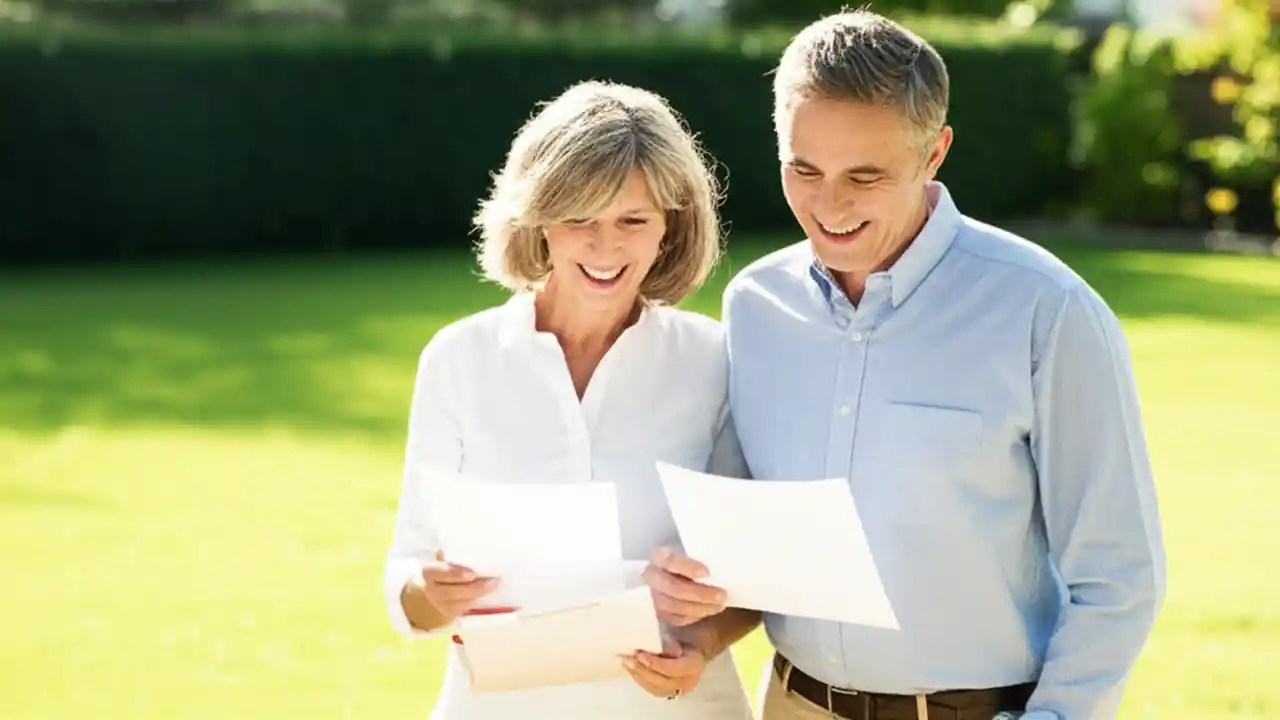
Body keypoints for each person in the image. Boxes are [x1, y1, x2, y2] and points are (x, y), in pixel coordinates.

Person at [646, 10, 1166, 720]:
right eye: (804, 169)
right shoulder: (756, 306)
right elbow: (750, 543)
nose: (829, 206)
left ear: (935, 153)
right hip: (793, 703)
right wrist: (697, 611)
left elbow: (1119, 576)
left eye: (865, 175)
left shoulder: (1047, 313)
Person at [380, 80, 753, 720]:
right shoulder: (459, 359)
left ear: (670, 226)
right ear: (539, 220)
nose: (605, 247)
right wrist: (431, 592)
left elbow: (755, 577)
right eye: (580, 218)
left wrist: (703, 641)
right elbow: (408, 580)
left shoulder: (715, 360)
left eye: (633, 220)